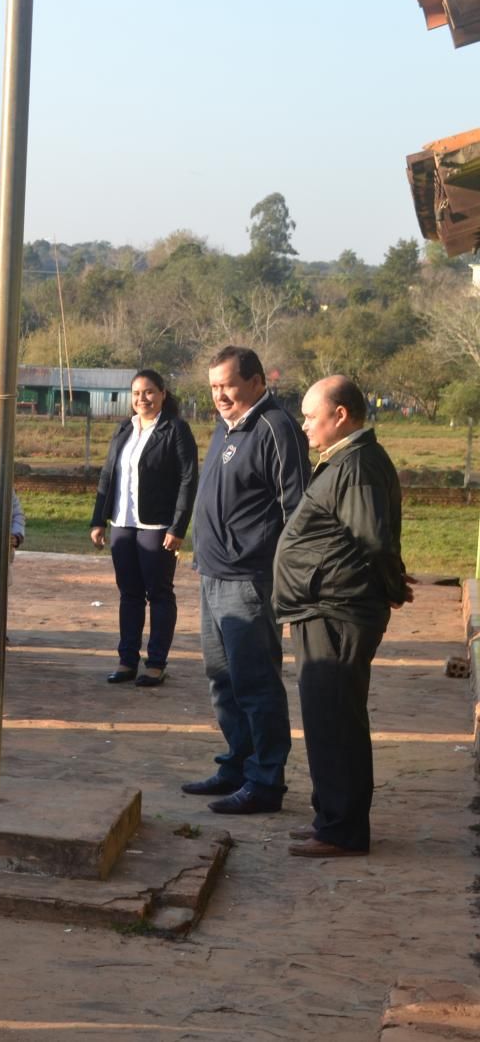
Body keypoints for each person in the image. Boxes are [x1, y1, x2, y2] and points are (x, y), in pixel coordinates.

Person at [274, 376, 410, 858]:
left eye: (312, 415)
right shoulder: (344, 461)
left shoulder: (357, 465)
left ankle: (343, 830)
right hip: (324, 606)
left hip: (339, 609)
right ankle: (329, 818)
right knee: (324, 717)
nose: (305, 423)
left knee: (335, 719)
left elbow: (372, 539)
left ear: (341, 416)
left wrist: (393, 587)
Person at [182, 345, 309, 816]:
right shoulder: (227, 426)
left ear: (256, 381)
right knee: (222, 678)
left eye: (228, 385)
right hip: (213, 575)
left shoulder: (275, 428)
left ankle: (265, 781)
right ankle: (236, 764)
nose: (220, 395)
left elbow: (296, 509)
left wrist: (288, 575)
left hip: (250, 581)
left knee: (255, 683)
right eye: (214, 387)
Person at [88, 369, 199, 687]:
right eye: (136, 393)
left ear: (163, 394)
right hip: (123, 523)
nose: (142, 399)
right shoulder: (126, 428)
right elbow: (108, 475)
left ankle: (156, 662)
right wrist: (99, 519)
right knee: (129, 594)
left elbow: (188, 480)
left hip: (158, 526)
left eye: (149, 392)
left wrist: (177, 527)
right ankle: (127, 660)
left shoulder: (176, 429)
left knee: (159, 593)